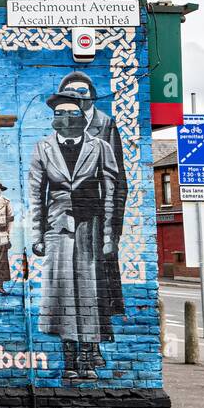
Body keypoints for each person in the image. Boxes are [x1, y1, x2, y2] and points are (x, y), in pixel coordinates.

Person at [28, 87, 119, 379]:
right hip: (57, 230)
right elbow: (35, 195)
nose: (65, 118)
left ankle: (88, 358)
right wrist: (37, 236)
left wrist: (108, 236)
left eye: (71, 113)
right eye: (59, 114)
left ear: (83, 116)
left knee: (90, 294)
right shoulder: (43, 147)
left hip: (88, 230)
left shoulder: (100, 147)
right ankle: (69, 359)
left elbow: (110, 194)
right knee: (63, 295)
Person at [56, 69, 127, 359]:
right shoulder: (60, 126)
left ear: (91, 95)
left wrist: (113, 230)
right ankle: (74, 346)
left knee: (95, 286)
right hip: (66, 222)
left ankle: (94, 344)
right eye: (70, 92)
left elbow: (117, 182)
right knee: (69, 286)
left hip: (96, 220)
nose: (76, 97)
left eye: (82, 92)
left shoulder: (105, 126)